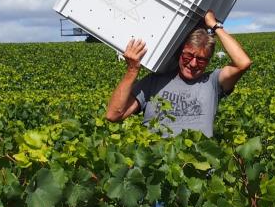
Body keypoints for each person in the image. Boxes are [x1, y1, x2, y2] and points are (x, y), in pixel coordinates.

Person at [105, 11, 252, 137]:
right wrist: (132, 70)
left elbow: (243, 63)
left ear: (208, 61)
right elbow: (113, 115)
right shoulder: (153, 81)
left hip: (197, 161)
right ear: (179, 53)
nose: (193, 64)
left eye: (201, 59)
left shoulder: (213, 82)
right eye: (188, 56)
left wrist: (214, 25)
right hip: (156, 160)